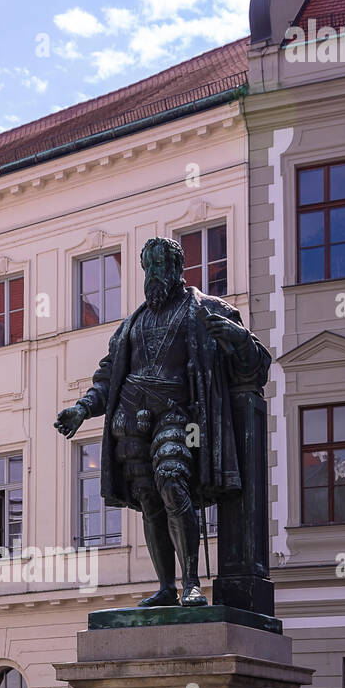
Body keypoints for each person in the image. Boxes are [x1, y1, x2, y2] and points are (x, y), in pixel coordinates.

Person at [55, 235, 271, 607]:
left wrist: (236, 337)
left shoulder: (206, 310)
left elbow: (255, 368)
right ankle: (166, 587)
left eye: (161, 265)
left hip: (182, 417)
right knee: (149, 499)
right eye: (148, 266)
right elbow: (107, 379)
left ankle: (191, 583)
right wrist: (82, 408)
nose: (154, 273)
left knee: (172, 483)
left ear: (177, 268)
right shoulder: (130, 326)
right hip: (132, 421)